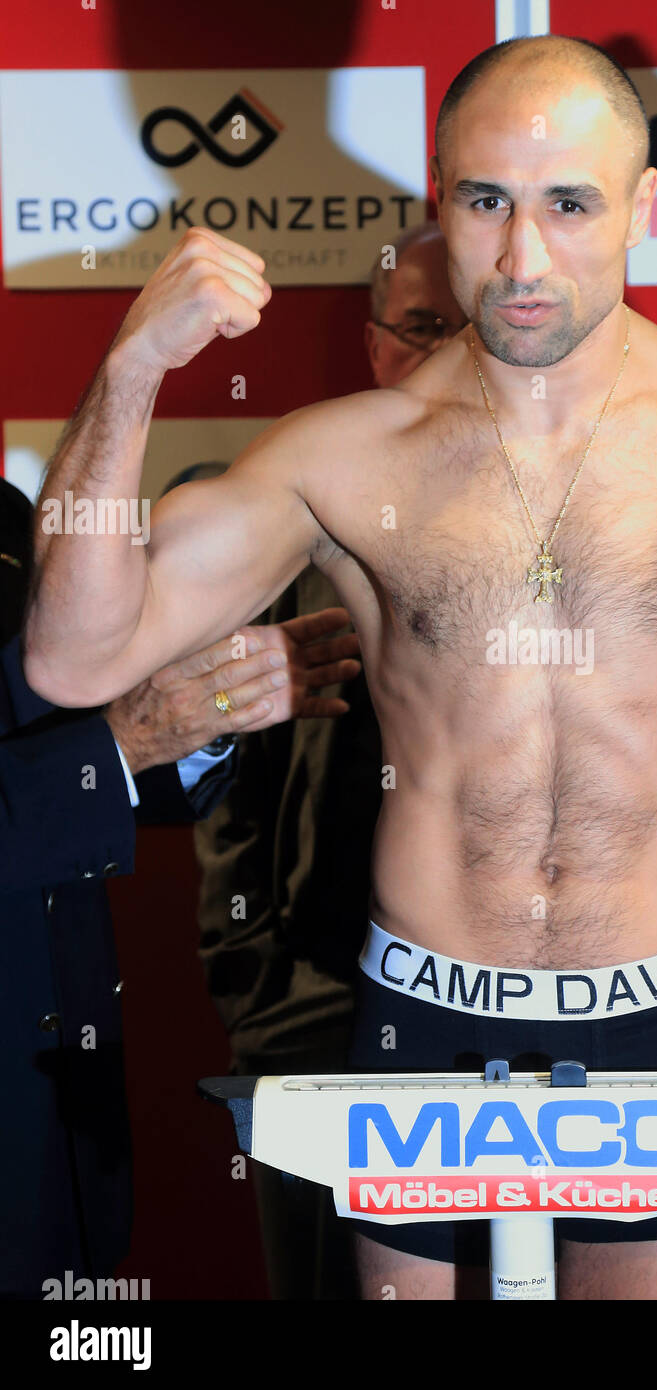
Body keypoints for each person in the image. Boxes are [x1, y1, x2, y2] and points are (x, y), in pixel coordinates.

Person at [21, 36, 657, 1300]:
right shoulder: (344, 451)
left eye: (567, 203)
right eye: (484, 203)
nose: (521, 258)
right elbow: (76, 658)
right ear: (437, 196)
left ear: (634, 205)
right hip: (422, 1016)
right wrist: (129, 369)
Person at [0, 473, 358, 1296]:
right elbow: (88, 757)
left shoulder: (6, 521)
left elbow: (50, 747)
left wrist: (201, 718)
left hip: (55, 1127)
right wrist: (119, 746)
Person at [192, 221, 463, 1299]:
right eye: (420, 327)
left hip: (513, 1028)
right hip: (312, 1020)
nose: (445, 353)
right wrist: (259, 984)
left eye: (468, 326)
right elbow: (218, 778)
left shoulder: (567, 533)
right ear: (371, 342)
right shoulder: (279, 509)